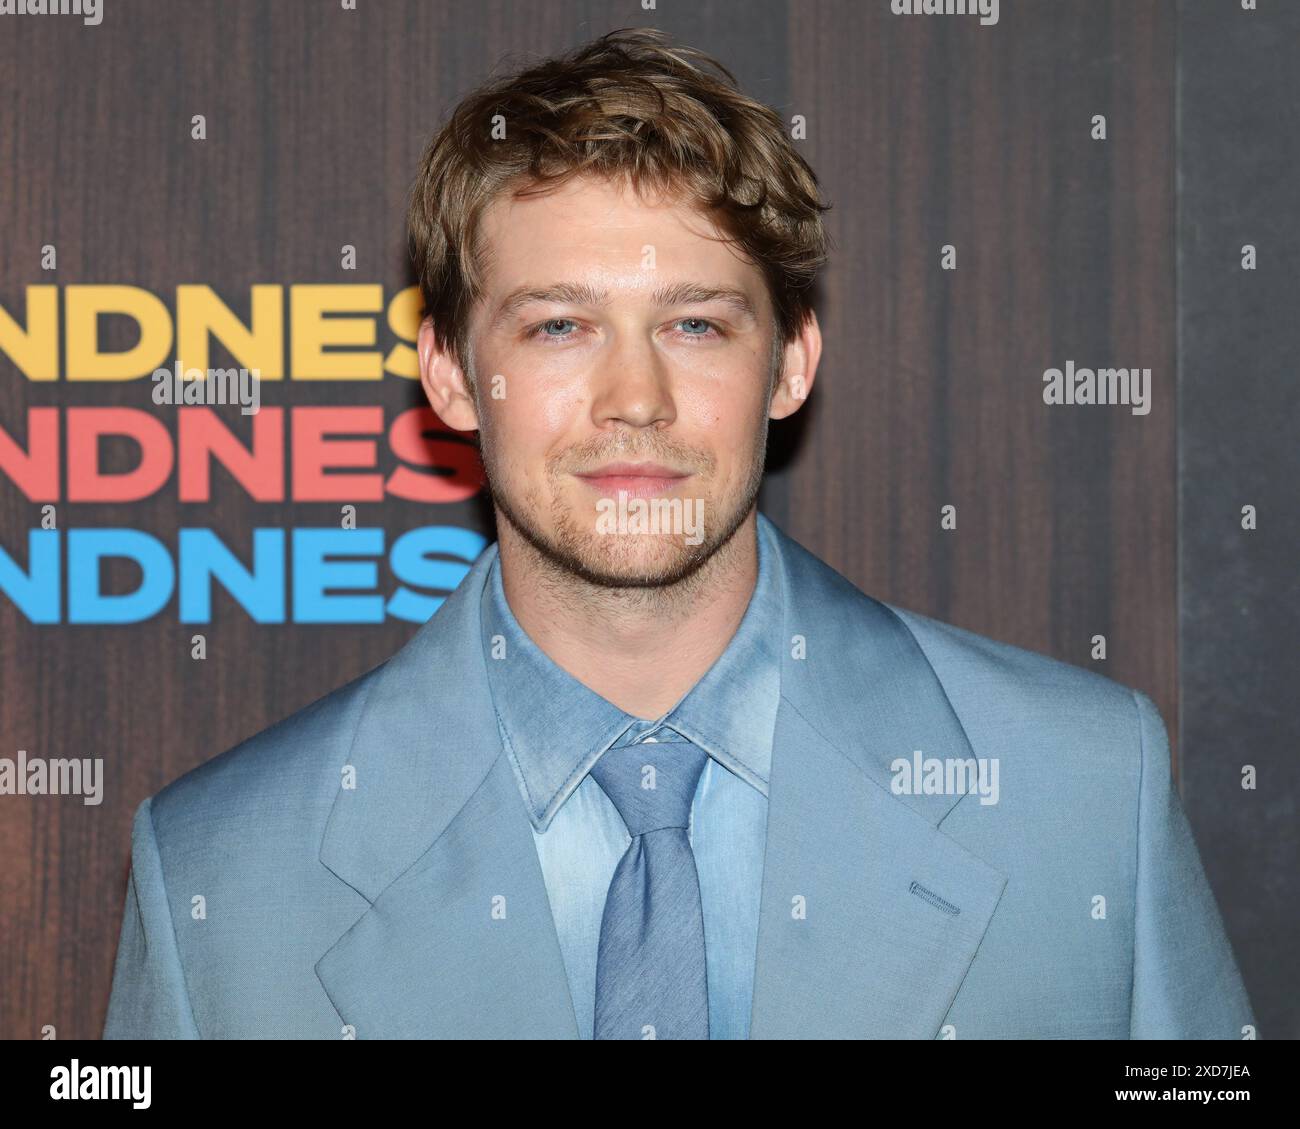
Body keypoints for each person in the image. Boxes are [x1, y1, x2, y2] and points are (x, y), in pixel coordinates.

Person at [104, 27, 1254, 1039]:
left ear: (792, 361)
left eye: (695, 324)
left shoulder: (1082, 791)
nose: (634, 398)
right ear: (450, 375)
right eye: (559, 327)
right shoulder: (221, 871)